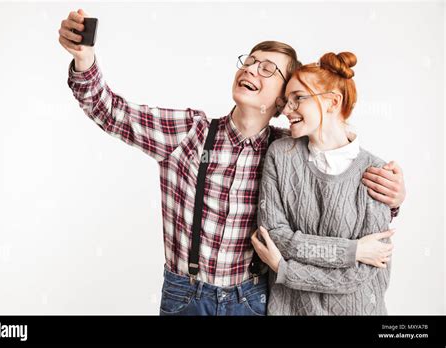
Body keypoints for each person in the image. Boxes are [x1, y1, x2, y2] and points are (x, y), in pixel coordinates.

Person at [59, 9, 406, 315]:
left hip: (252, 298)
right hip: (185, 294)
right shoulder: (190, 132)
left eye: (268, 68)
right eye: (250, 61)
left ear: (283, 100)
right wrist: (84, 58)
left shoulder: (288, 152)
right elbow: (110, 111)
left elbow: (337, 196)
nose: (252, 68)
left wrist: (392, 198)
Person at [252, 52, 396, 315]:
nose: (286, 109)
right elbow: (275, 238)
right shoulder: (281, 155)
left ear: (332, 102)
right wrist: (352, 251)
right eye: (286, 100)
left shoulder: (376, 172)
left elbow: (361, 274)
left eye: (298, 98)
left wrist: (285, 269)